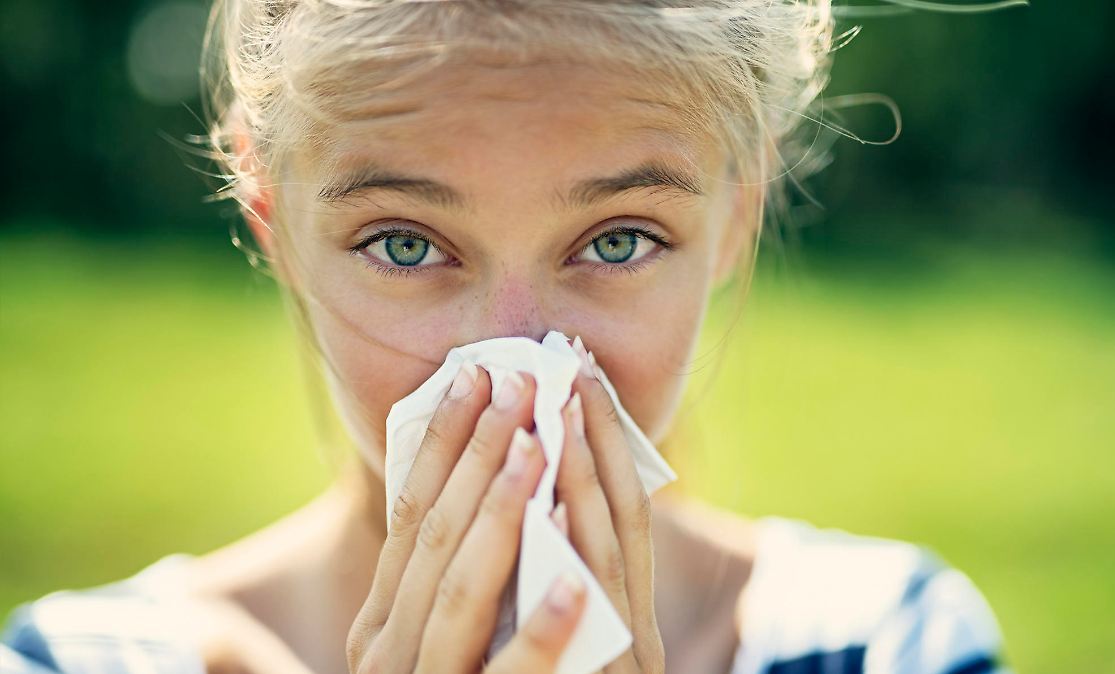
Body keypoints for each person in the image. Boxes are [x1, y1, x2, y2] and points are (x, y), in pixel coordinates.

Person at [1, 1, 1012, 672]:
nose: (520, 366)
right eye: (404, 243)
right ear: (275, 219)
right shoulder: (83, 656)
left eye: (618, 239)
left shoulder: (891, 638)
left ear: (733, 224)